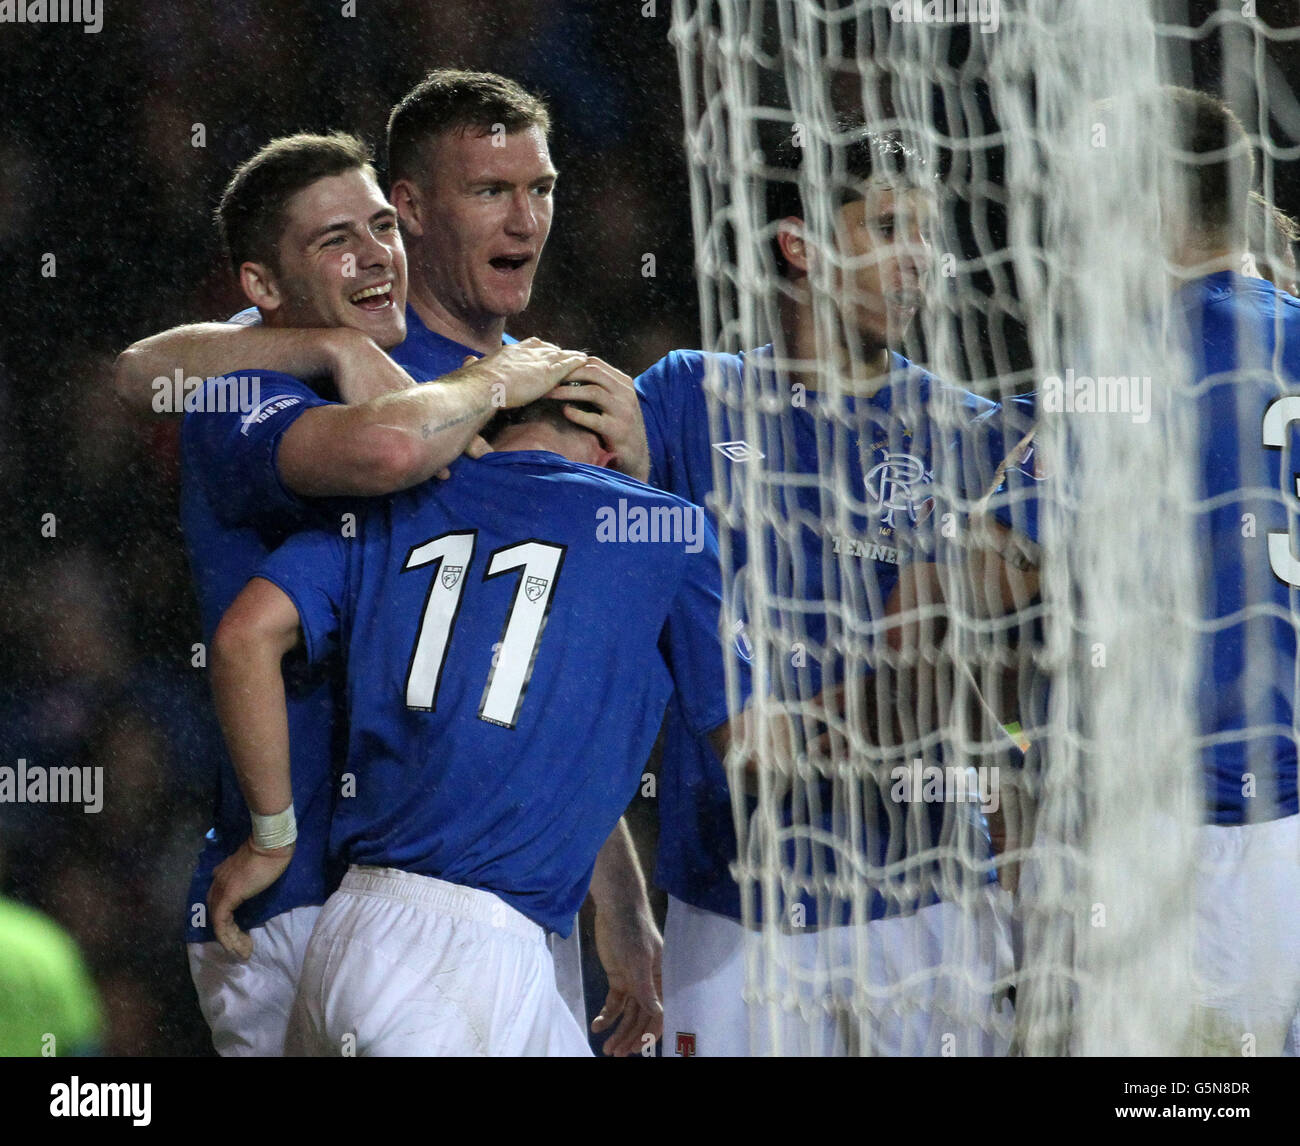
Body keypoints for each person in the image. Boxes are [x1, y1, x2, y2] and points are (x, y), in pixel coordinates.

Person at [114, 72, 662, 1055]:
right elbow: (141, 371)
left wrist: (616, 898)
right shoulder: (270, 380)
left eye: (540, 189)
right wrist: (332, 347)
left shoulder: (532, 398)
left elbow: (535, 671)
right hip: (314, 891)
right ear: (422, 205)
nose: (524, 218)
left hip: (494, 902)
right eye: (489, 190)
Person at [629, 124, 1013, 1055]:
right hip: (730, 906)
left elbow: (991, 689)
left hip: (924, 900)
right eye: (886, 228)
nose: (918, 259)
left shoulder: (972, 435)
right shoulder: (686, 398)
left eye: (927, 235)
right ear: (798, 245)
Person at [206, 394, 745, 1056]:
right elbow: (753, 748)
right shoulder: (662, 529)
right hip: (472, 959)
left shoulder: (389, 501)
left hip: (351, 930)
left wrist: (270, 840)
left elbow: (242, 636)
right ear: (608, 447)